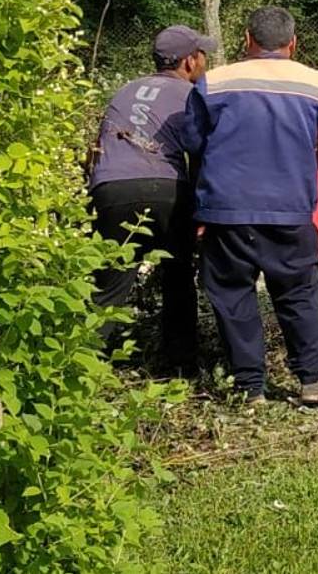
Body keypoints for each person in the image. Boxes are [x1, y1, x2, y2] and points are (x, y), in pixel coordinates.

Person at [183, 6, 318, 405]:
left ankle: (250, 387)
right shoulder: (313, 82)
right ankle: (313, 382)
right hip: (288, 212)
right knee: (298, 294)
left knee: (234, 298)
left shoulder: (213, 83)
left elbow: (191, 140)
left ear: (246, 39)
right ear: (293, 43)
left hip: (227, 212)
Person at [88, 24, 217, 374]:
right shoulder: (191, 95)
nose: (206, 59)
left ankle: (82, 366)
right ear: (189, 61)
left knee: (111, 282)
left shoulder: (125, 90)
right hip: (165, 188)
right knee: (177, 277)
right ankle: (181, 366)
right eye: (202, 53)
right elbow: (200, 151)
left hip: (111, 187)